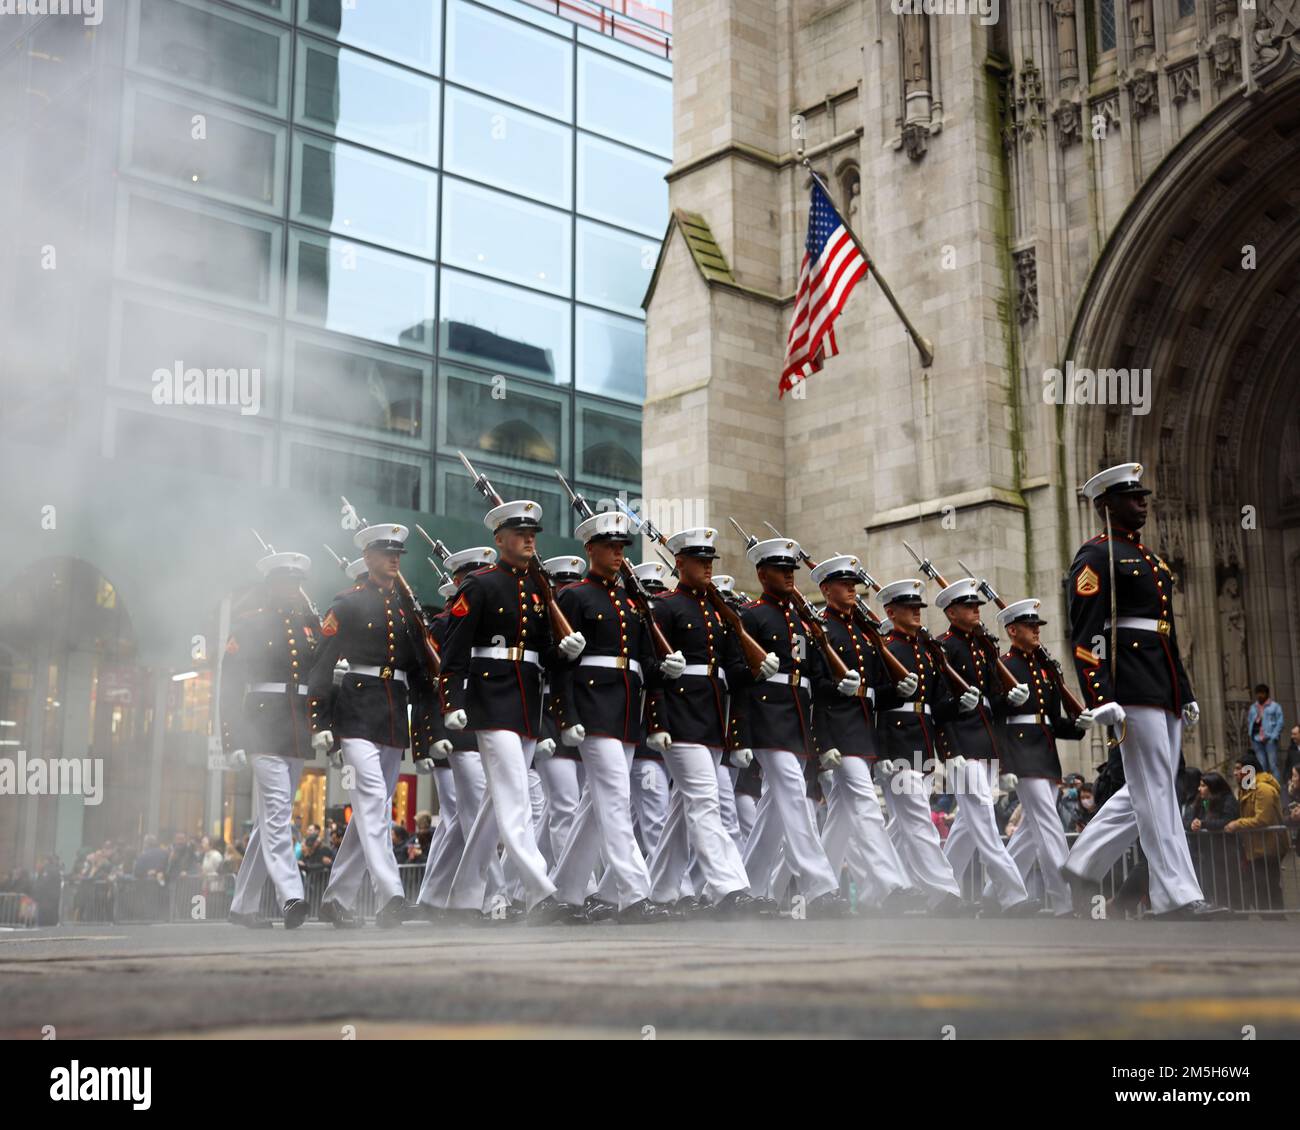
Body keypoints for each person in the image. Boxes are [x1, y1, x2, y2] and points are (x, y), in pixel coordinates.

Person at [1063, 462, 1225, 918]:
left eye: (1143, 495)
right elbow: (1087, 634)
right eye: (1132, 497)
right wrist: (1101, 697)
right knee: (1155, 789)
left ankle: (1082, 861)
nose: (1143, 502)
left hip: (1161, 682)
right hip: (1130, 684)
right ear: (1106, 505)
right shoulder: (1095, 557)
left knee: (1149, 787)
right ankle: (1176, 895)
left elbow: (1166, 631)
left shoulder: (1152, 560)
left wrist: (1186, 690)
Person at [439, 497, 587, 924]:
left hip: (526, 704)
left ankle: (463, 898)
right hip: (491, 701)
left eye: (532, 535)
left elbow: (544, 656)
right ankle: (542, 891)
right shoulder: (480, 585)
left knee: (495, 806)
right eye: (521, 534)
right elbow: (454, 649)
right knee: (516, 798)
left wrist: (567, 651)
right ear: (500, 539)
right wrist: (452, 701)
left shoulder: (541, 590)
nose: (529, 540)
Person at [547, 510, 678, 924]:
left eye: (622, 547)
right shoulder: (574, 596)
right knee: (616, 800)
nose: (619, 554)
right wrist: (566, 716)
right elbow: (561, 665)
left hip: (625, 712)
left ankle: (565, 894)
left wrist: (664, 670)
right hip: (592, 710)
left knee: (594, 808)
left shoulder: (629, 600)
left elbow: (640, 662)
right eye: (610, 547)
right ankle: (635, 894)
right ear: (590, 550)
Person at [308, 521, 434, 929]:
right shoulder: (345, 603)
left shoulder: (404, 605)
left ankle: (336, 899)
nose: (395, 559)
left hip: (394, 714)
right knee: (373, 798)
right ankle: (392, 894)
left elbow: (417, 668)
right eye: (386, 553)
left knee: (373, 808)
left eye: (398, 553)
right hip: (357, 712)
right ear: (368, 558)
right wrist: (321, 721)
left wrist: (434, 718)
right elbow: (322, 666)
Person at [642, 527, 764, 916]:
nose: (707, 567)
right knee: (705, 801)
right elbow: (646, 668)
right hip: (679, 719)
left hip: (711, 719)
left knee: (684, 810)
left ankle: (660, 891)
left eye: (710, 561)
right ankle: (729, 887)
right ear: (679, 564)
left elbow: (731, 672)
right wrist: (657, 720)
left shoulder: (717, 611)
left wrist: (758, 671)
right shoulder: (665, 607)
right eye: (700, 561)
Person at [731, 536, 850, 918]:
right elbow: (736, 675)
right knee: (794, 794)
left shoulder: (801, 619)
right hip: (767, 716)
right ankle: (820, 886)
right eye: (781, 571)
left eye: (791, 571)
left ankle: (748, 888)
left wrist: (837, 684)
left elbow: (814, 676)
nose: (789, 576)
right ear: (762, 574)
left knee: (775, 811)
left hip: (797, 715)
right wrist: (742, 732)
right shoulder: (752, 616)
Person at [807, 553, 918, 913]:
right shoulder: (819, 629)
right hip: (838, 730)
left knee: (840, 816)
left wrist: (895, 692)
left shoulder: (862, 631)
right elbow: (814, 691)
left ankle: (812, 891)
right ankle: (892, 884)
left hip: (862, 729)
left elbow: (871, 691)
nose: (852, 589)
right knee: (866, 804)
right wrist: (823, 743)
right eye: (844, 584)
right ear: (826, 589)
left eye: (854, 584)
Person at [222, 547, 319, 930]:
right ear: (272, 585)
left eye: (297, 582)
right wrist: (231, 738)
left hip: (296, 728)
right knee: (278, 814)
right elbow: (229, 686)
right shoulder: (249, 624)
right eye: (286, 582)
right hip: (262, 726)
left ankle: (242, 906)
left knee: (270, 821)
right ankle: (291, 895)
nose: (293, 588)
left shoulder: (309, 624)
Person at [414, 545, 512, 921]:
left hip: (488, 721)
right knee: (476, 816)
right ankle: (494, 897)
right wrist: (430, 734)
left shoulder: (494, 624)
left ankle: (435, 895)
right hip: (459, 730)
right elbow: (432, 685)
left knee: (464, 820)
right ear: (458, 581)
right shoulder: (440, 626)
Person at [874, 578, 978, 915]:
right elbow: (873, 704)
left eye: (919, 607)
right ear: (891, 611)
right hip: (897, 746)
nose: (917, 613)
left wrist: (960, 703)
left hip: (923, 744)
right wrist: (881, 754)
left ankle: (877, 892)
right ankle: (944, 891)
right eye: (909, 608)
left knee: (903, 827)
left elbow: (935, 707)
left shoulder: (926, 650)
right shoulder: (884, 648)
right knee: (917, 819)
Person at [936, 579, 1035, 916]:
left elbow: (991, 700)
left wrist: (1009, 699)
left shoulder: (982, 646)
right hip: (963, 746)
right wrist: (951, 753)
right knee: (981, 815)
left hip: (986, 744)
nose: (977, 610)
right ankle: (1012, 895)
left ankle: (938, 893)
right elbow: (939, 708)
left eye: (977, 605)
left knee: (968, 825)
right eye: (969, 606)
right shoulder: (944, 648)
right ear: (951, 612)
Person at [996, 598, 1096, 915]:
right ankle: (1064, 900)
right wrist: (1006, 764)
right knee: (1049, 827)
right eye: (1029, 626)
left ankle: (993, 891)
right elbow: (996, 721)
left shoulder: (1044, 669)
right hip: (1023, 755)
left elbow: (1051, 719)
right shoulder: (1003, 666)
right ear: (1013, 631)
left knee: (1030, 832)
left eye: (1038, 626)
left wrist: (1078, 726)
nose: (1036, 631)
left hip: (1046, 753)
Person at [1225, 753, 1289, 913]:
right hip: (1255, 847)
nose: (1235, 773)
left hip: (1268, 847)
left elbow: (1263, 819)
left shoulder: (1263, 789)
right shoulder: (1247, 788)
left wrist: (1237, 824)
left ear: (1249, 770)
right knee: (1258, 888)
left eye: (1239, 769)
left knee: (1268, 887)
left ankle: (1276, 920)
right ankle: (1269, 918)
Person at [1246, 685, 1284, 782]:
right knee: (1261, 764)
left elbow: (1280, 722)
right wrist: (1251, 735)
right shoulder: (1253, 707)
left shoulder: (1275, 706)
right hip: (1257, 738)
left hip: (1270, 739)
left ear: (1266, 694)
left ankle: (1276, 787)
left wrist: (1274, 736)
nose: (1260, 695)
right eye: (1258, 693)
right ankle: (1265, 787)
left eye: (1262, 693)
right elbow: (1250, 721)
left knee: (1273, 764)